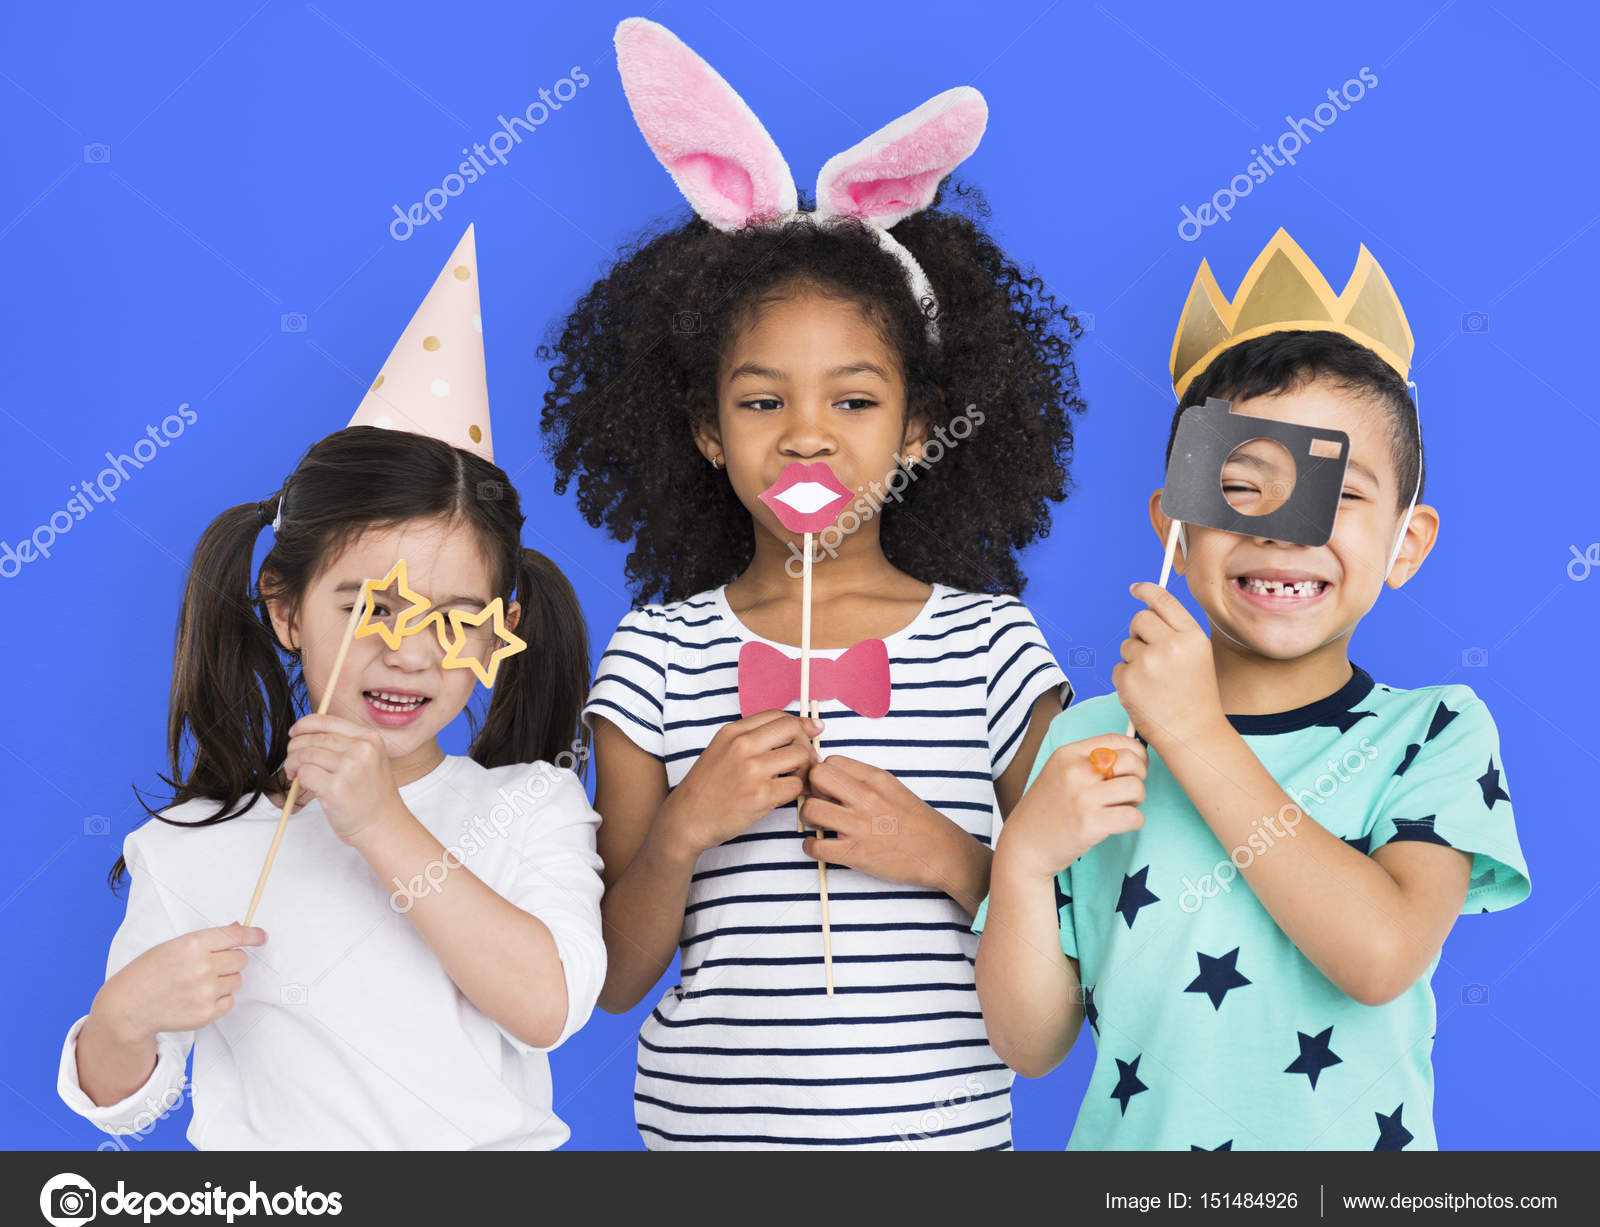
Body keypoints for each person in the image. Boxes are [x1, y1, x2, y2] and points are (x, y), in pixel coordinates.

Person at [545, 19, 1082, 1148]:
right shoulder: (652, 658)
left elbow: (1068, 948)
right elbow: (612, 978)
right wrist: (688, 827)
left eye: (852, 401)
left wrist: (942, 854)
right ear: (701, 430)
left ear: (922, 427)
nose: (804, 439)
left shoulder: (995, 653)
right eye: (758, 402)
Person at [975, 230, 1531, 1150]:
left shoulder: (1433, 733)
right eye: (1239, 485)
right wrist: (1026, 862)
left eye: (1340, 494)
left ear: (1408, 544)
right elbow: (1029, 1044)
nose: (1282, 532)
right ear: (1176, 526)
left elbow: (1381, 955)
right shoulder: (1091, 737)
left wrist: (1194, 732)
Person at [58, 227, 605, 1149]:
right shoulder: (190, 845)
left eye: (455, 617)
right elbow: (126, 1101)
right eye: (369, 607)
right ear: (284, 610)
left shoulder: (528, 802)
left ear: (496, 632)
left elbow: (547, 1007)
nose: (411, 654)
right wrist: (120, 1020)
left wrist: (380, 822)